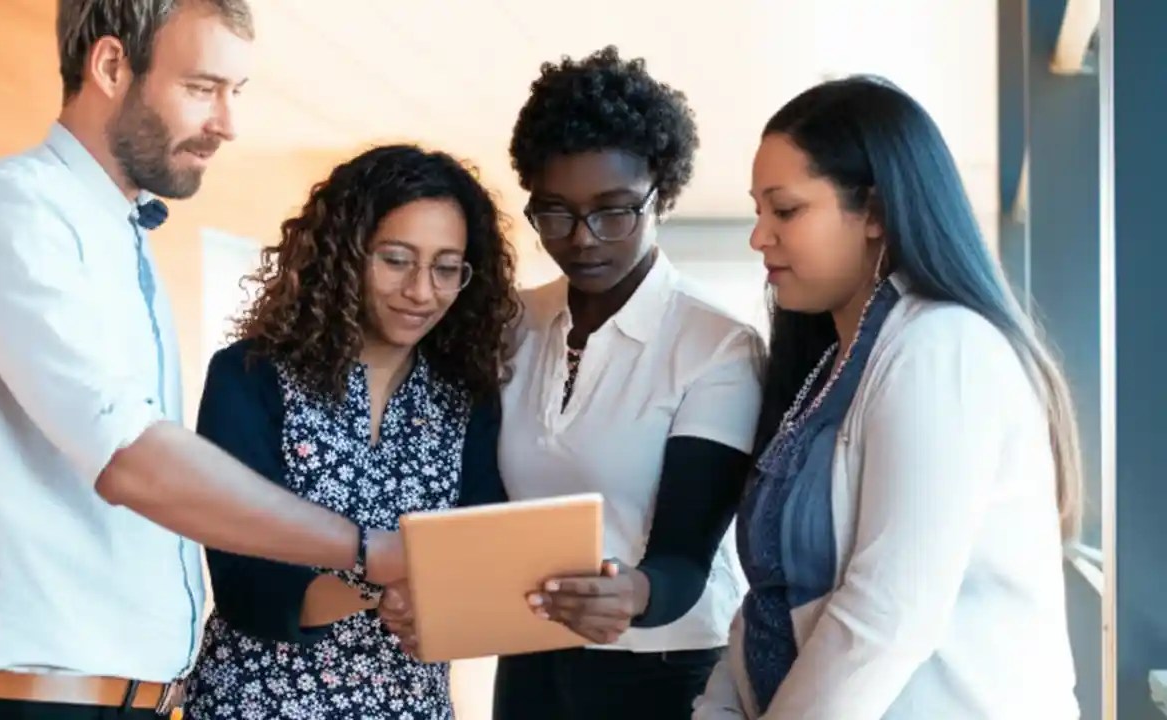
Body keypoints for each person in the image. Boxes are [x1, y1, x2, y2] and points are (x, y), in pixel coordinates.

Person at [0, 2, 407, 717]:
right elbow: (132, 459)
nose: (228, 122)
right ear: (112, 65)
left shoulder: (123, 239)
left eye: (237, 92)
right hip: (37, 705)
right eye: (203, 87)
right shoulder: (10, 209)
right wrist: (363, 549)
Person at [385, 46, 764, 720]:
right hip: (531, 663)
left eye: (614, 212)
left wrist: (637, 593)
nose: (584, 239)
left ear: (663, 196)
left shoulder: (715, 345)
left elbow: (685, 555)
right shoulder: (512, 323)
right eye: (556, 213)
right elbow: (483, 505)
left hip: (665, 670)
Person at [692, 76, 1082, 719]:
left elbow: (888, 613)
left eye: (785, 210)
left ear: (873, 211)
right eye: (758, 211)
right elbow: (771, 598)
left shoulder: (943, 347)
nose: (758, 237)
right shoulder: (831, 366)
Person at [180, 143, 518, 719]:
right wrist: (384, 586)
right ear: (343, 255)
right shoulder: (250, 376)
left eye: (445, 267)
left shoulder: (470, 400)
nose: (421, 291)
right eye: (395, 259)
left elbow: (482, 557)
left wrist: (452, 605)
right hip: (257, 705)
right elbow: (244, 581)